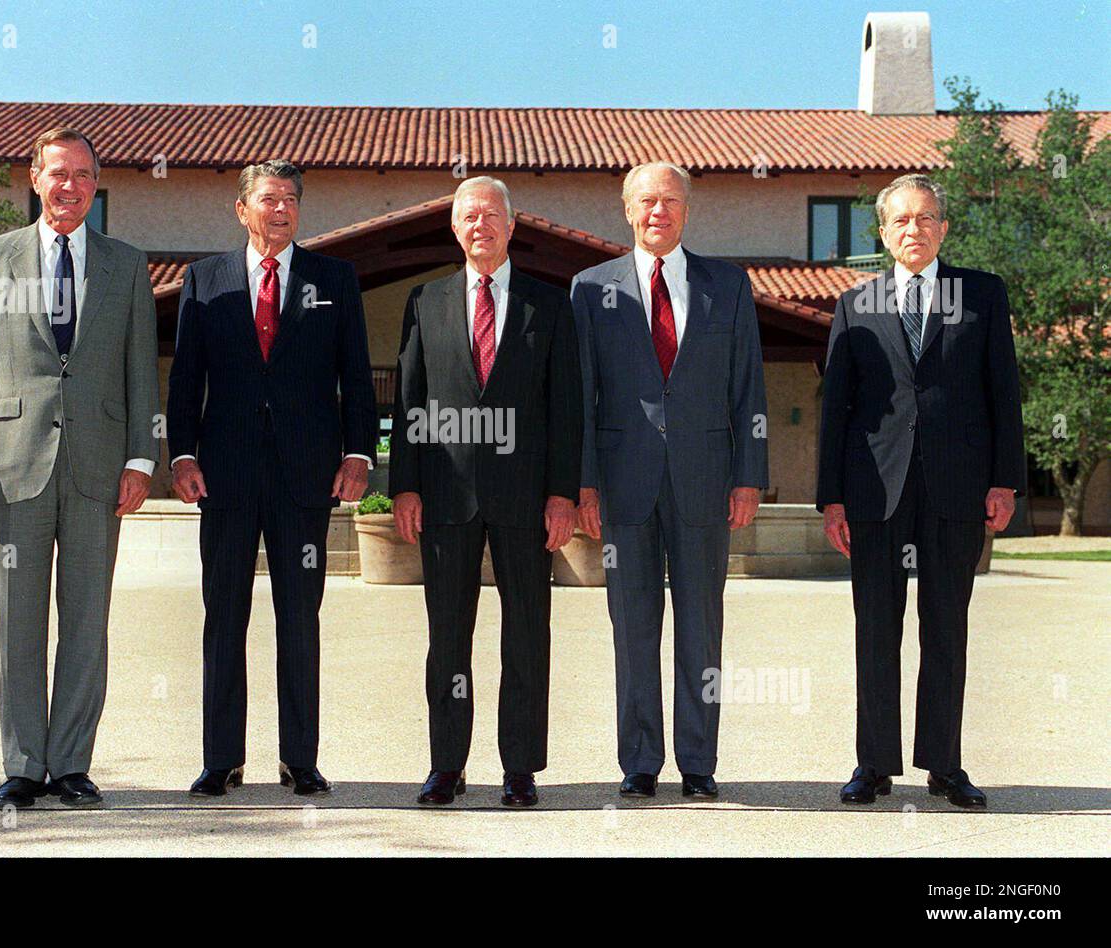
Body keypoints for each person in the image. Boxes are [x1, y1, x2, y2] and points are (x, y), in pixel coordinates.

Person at [0, 127, 160, 808]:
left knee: (87, 620)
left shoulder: (126, 265)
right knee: (20, 622)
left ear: (98, 186)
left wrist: (142, 456)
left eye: (85, 176)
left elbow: (141, 372)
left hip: (98, 468)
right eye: (58, 173)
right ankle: (23, 765)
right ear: (34, 178)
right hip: (13, 465)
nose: (71, 187)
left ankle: (71, 765)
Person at [166, 159, 378, 797]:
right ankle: (220, 758)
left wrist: (358, 454)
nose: (280, 208)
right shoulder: (204, 281)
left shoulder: (334, 279)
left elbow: (358, 378)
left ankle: (300, 759)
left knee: (299, 618)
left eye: (290, 198)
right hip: (224, 477)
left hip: (305, 477)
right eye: (267, 198)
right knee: (223, 616)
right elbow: (185, 380)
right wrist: (181, 453)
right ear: (242, 209)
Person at [816, 173, 1026, 808]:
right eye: (901, 220)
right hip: (874, 490)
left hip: (957, 489)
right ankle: (873, 764)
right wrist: (832, 497)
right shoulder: (856, 304)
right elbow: (837, 410)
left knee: (946, 629)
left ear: (943, 227)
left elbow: (1003, 393)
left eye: (926, 218)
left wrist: (1005, 481)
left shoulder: (982, 296)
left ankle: (945, 765)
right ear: (883, 233)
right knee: (875, 629)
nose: (914, 229)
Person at [571, 162, 768, 799]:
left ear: (687, 210)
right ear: (627, 210)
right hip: (623, 483)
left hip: (705, 481)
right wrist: (584, 483)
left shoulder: (728, 285)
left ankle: (699, 763)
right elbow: (582, 397)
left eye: (671, 201)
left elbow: (748, 389)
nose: (659, 211)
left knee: (701, 624)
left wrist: (749, 476)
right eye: (647, 201)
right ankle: (638, 762)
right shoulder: (589, 289)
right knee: (631, 626)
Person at [389, 176, 582, 807]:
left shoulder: (550, 306)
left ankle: (520, 767)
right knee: (448, 635)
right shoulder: (426, 300)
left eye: (492, 215)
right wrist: (406, 486)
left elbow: (566, 408)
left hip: (527, 499)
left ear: (511, 225)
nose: (481, 226)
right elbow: (409, 399)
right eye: (469, 216)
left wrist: (562, 494)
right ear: (454, 228)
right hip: (445, 497)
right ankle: (447, 764)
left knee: (527, 631)